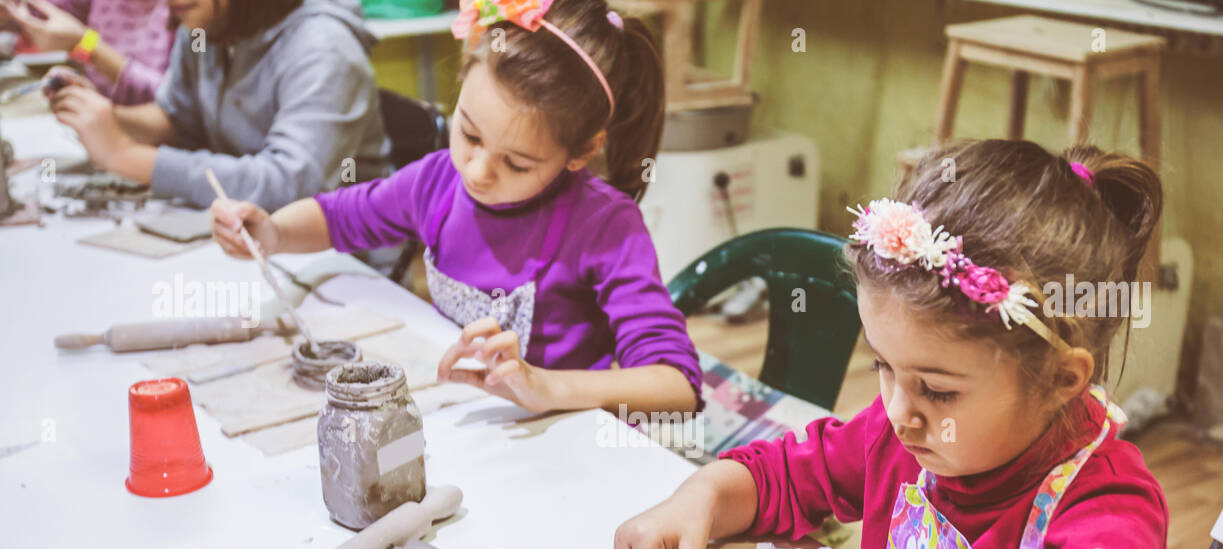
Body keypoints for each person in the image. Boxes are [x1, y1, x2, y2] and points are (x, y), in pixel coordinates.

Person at [615, 139, 1173, 549]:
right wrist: (700, 498)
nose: (899, 411)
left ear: (1062, 379)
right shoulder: (901, 434)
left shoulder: (1107, 511)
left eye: (937, 389)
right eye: (882, 366)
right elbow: (782, 479)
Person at [211, 0, 700, 417]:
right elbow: (341, 216)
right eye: (468, 133)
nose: (478, 172)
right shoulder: (437, 181)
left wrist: (546, 386)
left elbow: (676, 385)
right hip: (458, 415)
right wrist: (273, 232)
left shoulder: (606, 226)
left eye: (517, 163)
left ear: (582, 152)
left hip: (560, 440)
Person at [48, 0, 389, 209]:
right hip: (250, 231)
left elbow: (287, 187)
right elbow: (178, 120)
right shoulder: (205, 29)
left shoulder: (324, 48)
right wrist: (105, 117)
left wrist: (125, 155)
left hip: (348, 261)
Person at [0, 0, 170, 104]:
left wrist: (86, 45)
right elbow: (42, 13)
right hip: (100, 119)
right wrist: (11, 10)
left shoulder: (180, 8)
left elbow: (173, 104)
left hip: (147, 138)